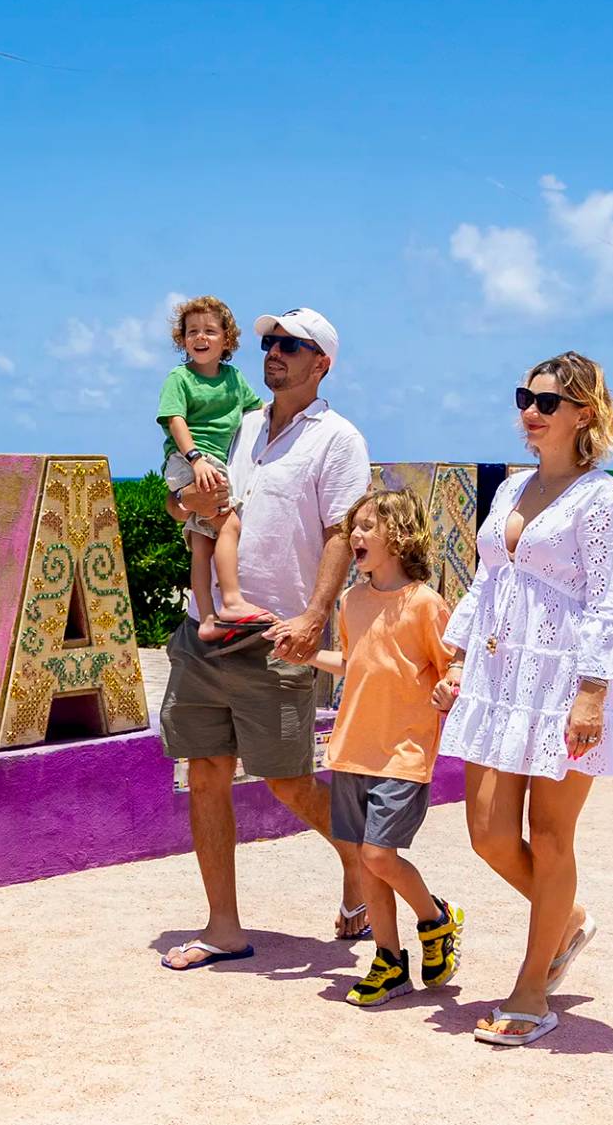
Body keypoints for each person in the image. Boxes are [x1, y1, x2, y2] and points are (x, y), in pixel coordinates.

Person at [430, 351, 613, 1046]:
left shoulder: (605, 497)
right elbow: (489, 580)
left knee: (551, 838)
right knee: (488, 830)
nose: (530, 410)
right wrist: (457, 655)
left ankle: (530, 988)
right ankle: (568, 918)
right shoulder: (512, 489)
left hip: (563, 683)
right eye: (525, 397)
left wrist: (590, 693)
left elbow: (612, 600)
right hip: (499, 678)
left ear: (584, 413)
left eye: (547, 402)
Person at [159, 307, 375, 970]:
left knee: (286, 778)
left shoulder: (338, 439)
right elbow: (214, 509)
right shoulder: (248, 426)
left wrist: (315, 616)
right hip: (211, 631)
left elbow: (344, 532)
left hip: (281, 634)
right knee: (205, 773)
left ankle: (356, 854)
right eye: (268, 342)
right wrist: (178, 506)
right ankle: (223, 926)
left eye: (289, 343)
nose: (272, 351)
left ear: (321, 363)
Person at [307, 488, 465, 1006]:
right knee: (366, 857)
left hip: (403, 752)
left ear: (399, 536)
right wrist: (307, 655)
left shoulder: (425, 604)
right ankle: (388, 960)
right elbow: (356, 665)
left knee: (379, 853)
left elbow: (454, 669)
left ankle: (434, 919)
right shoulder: (352, 600)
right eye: (354, 526)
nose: (355, 535)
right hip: (352, 747)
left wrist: (449, 688)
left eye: (368, 526)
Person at [154, 296, 269, 644]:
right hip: (190, 460)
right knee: (228, 523)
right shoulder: (180, 378)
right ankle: (231, 600)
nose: (200, 338)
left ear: (227, 340)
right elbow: (175, 419)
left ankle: (206, 618)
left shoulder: (234, 380)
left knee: (203, 542)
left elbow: (260, 411)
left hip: (211, 462)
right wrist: (195, 458)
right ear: (182, 340)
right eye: (192, 332)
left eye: (209, 331)